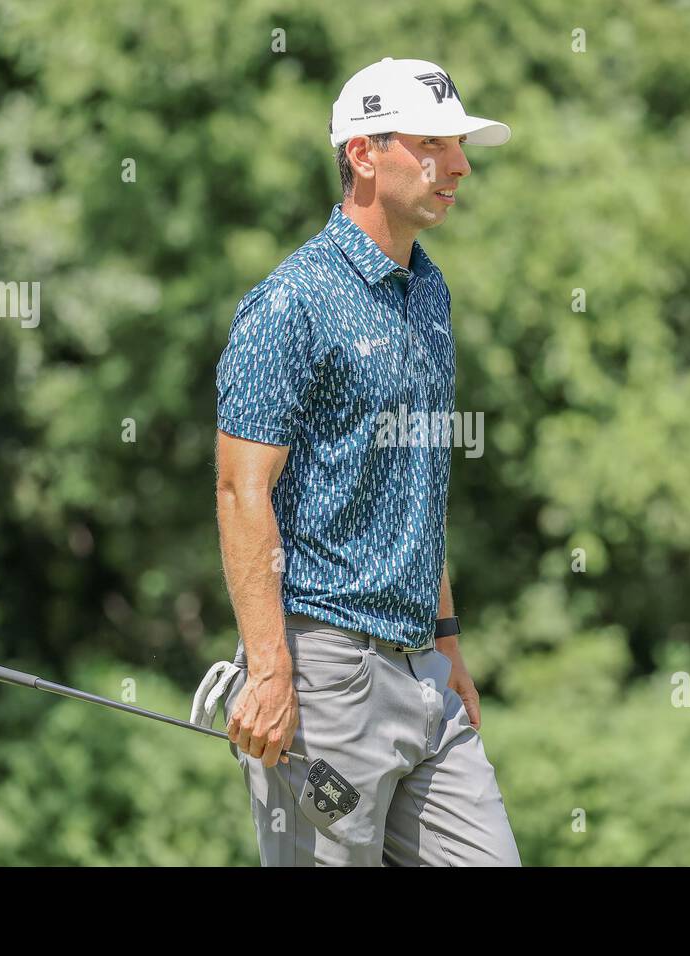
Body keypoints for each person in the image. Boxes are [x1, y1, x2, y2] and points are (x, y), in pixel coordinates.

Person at [196, 57, 520, 866]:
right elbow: (240, 490)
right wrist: (270, 672)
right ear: (363, 153)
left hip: (423, 672)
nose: (459, 165)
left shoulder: (429, 292)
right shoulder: (290, 301)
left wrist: (448, 644)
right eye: (433, 144)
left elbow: (417, 487)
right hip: (324, 680)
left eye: (458, 145)